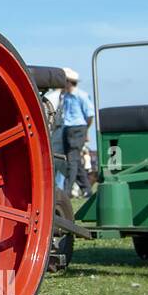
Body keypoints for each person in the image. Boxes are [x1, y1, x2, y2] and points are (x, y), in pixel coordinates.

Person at [58, 67, 94, 198]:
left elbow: (90, 115)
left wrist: (85, 131)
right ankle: (87, 189)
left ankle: (67, 192)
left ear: (68, 82)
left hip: (77, 128)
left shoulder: (81, 96)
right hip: (69, 129)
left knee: (72, 161)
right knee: (75, 160)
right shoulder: (66, 96)